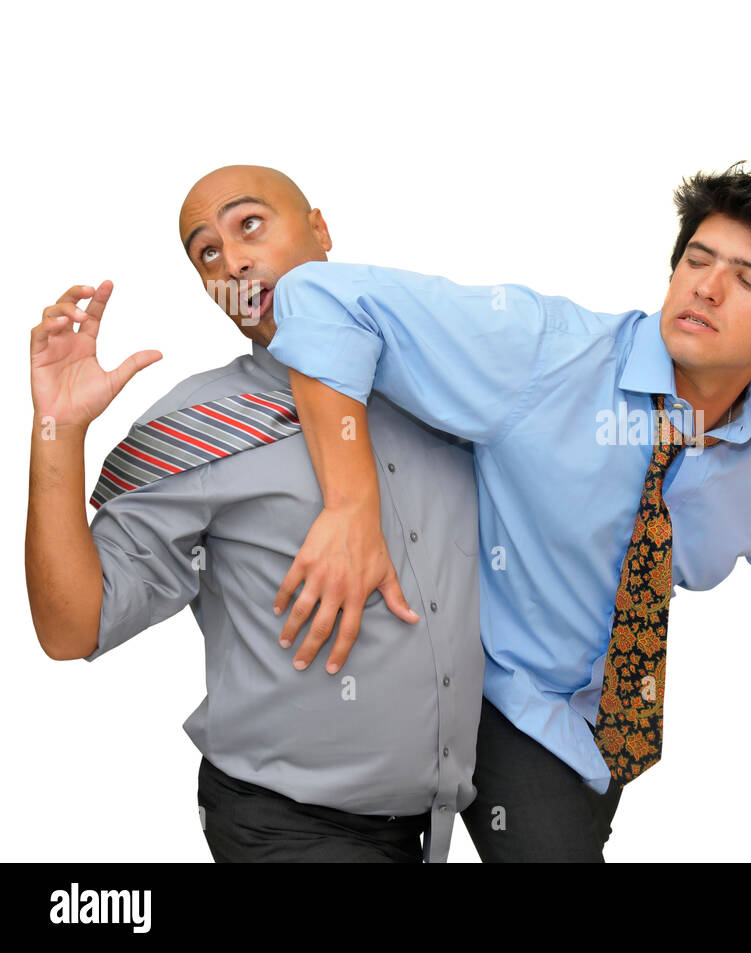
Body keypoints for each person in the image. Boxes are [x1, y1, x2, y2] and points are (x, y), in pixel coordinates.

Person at [264, 163, 751, 861]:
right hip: (494, 683)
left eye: (747, 279)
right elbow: (320, 295)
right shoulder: (543, 351)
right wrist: (349, 506)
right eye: (697, 260)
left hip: (607, 719)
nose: (705, 286)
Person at [25, 165, 482, 862]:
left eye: (250, 225)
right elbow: (69, 626)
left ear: (320, 230)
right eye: (206, 251)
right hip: (289, 826)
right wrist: (57, 428)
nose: (233, 258)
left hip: (438, 817)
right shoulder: (192, 427)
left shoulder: (444, 386)